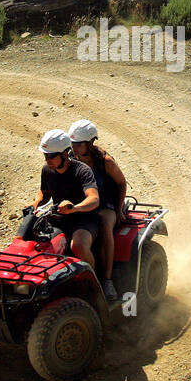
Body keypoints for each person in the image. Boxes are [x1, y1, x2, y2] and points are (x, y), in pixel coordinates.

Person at [28, 129, 117, 303]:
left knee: (79, 245)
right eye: (45, 156)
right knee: (39, 244)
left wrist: (74, 208)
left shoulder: (81, 170)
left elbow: (94, 199)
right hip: (60, 218)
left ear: (64, 153)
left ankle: (95, 286)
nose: (48, 160)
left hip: (85, 218)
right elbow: (44, 192)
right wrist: (36, 202)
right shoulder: (47, 170)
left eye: (51, 156)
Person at [68, 120, 127, 303]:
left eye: (79, 144)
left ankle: (107, 280)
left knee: (104, 223)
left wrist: (118, 209)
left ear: (90, 143)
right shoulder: (70, 158)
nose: (75, 148)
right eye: (73, 144)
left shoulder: (105, 161)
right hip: (85, 201)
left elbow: (121, 183)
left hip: (106, 204)